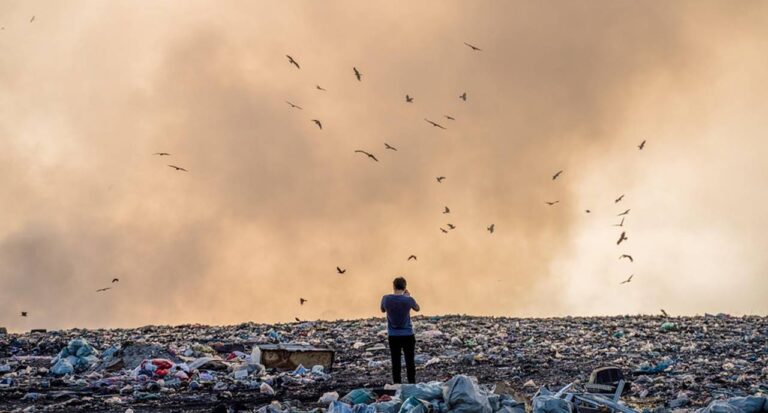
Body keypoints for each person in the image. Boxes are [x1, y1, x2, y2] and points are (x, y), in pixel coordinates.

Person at [380, 276, 420, 384]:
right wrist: (407, 297)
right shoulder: (408, 300)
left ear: (393, 286)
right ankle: (412, 384)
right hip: (408, 334)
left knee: (395, 362)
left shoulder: (386, 298)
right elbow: (417, 308)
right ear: (404, 287)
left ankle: (397, 385)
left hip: (393, 335)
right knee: (410, 362)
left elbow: (382, 310)